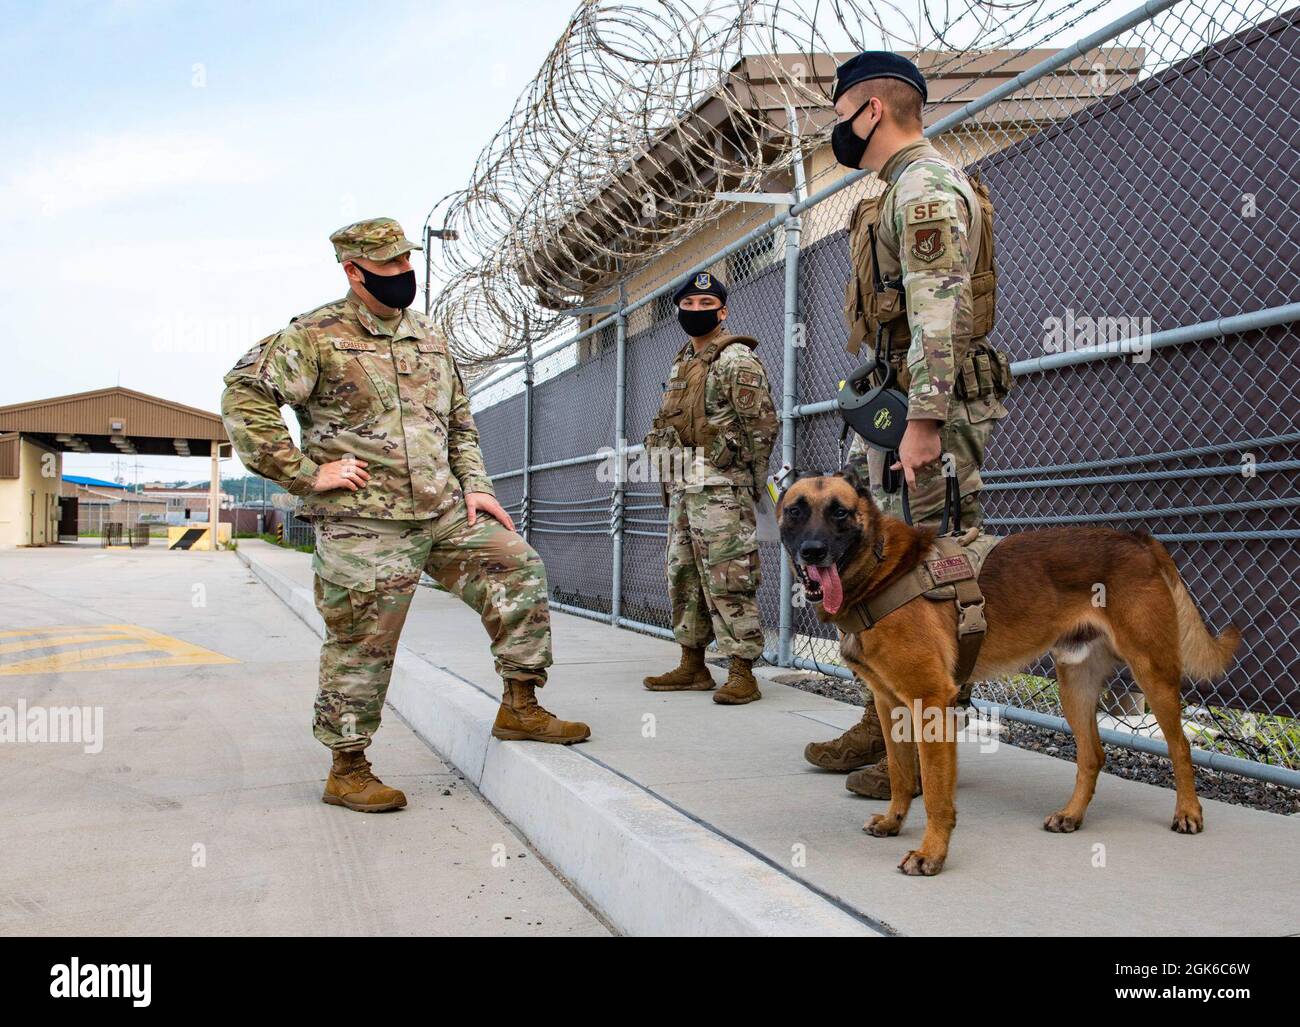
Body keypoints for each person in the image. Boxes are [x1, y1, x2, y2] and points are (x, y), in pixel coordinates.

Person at [222, 216, 590, 814]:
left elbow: (458, 423)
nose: (403, 275)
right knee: (362, 643)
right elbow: (244, 394)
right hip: (365, 521)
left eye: (405, 262)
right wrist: (304, 473)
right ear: (353, 270)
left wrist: (476, 486)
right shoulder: (316, 336)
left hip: (443, 512)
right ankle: (349, 767)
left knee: (517, 569)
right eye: (389, 266)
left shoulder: (430, 336)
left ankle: (520, 706)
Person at [803, 53, 1012, 798]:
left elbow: (937, 308)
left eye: (837, 113)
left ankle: (928, 749)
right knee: (885, 573)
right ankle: (885, 719)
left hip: (929, 409)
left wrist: (923, 420)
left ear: (870, 111)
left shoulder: (923, 186)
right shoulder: (896, 188)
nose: (834, 128)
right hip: (902, 404)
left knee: (936, 579)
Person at [641, 273, 779, 705]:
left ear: (723, 311)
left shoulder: (736, 359)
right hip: (683, 486)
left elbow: (763, 424)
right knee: (683, 576)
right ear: (678, 310)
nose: (696, 311)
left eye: (706, 304)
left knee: (728, 577)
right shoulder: (684, 359)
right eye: (689, 304)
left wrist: (749, 479)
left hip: (721, 487)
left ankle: (741, 671)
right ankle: (693, 664)